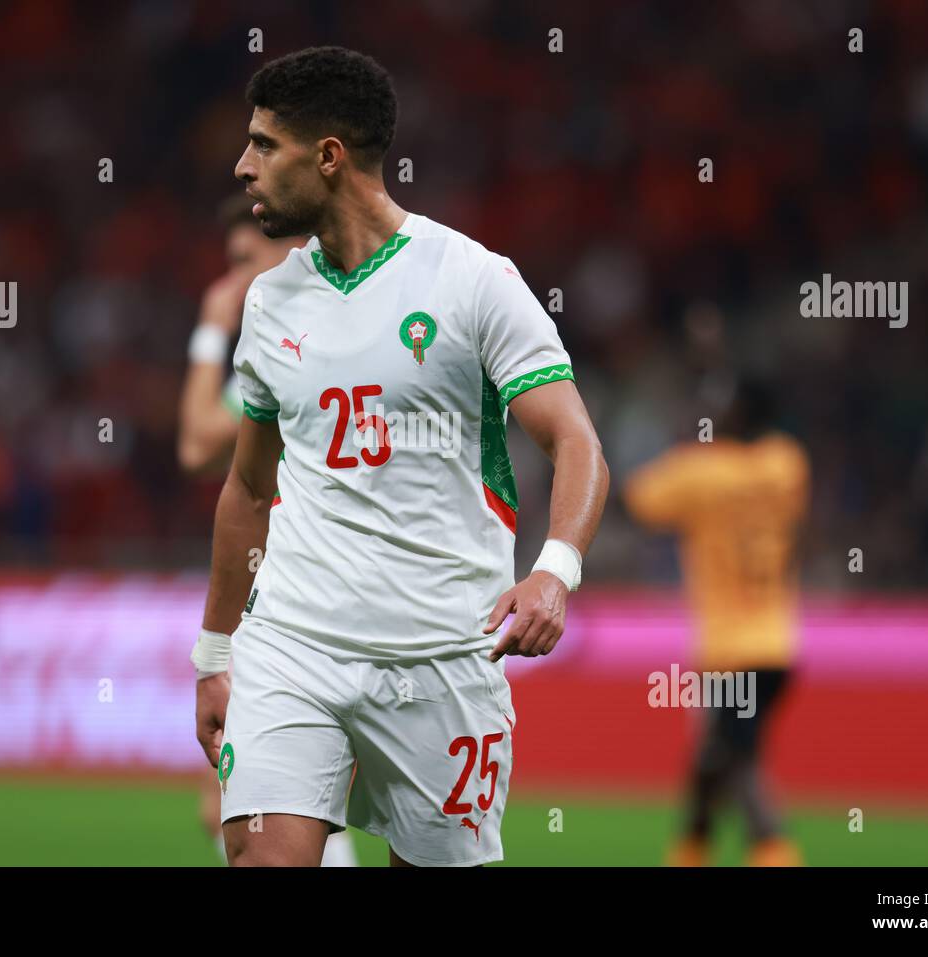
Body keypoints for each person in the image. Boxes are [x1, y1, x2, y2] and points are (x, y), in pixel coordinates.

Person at [191, 46, 609, 867]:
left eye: (264, 145)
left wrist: (555, 570)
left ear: (329, 156)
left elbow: (575, 440)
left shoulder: (474, 280)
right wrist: (213, 654)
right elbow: (246, 486)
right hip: (293, 645)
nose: (244, 167)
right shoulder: (271, 301)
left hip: (443, 655)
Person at [177, 195, 356, 865]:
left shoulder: (304, 347)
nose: (230, 281)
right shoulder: (278, 353)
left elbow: (196, 443)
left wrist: (209, 327)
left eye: (244, 261)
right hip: (284, 601)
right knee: (277, 817)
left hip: (316, 606)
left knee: (269, 809)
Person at [623, 380, 809, 866]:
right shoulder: (786, 464)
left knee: (739, 763)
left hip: (729, 650)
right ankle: (690, 851)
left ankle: (774, 853)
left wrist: (687, 437)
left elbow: (637, 497)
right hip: (779, 644)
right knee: (714, 759)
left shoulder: (699, 473)